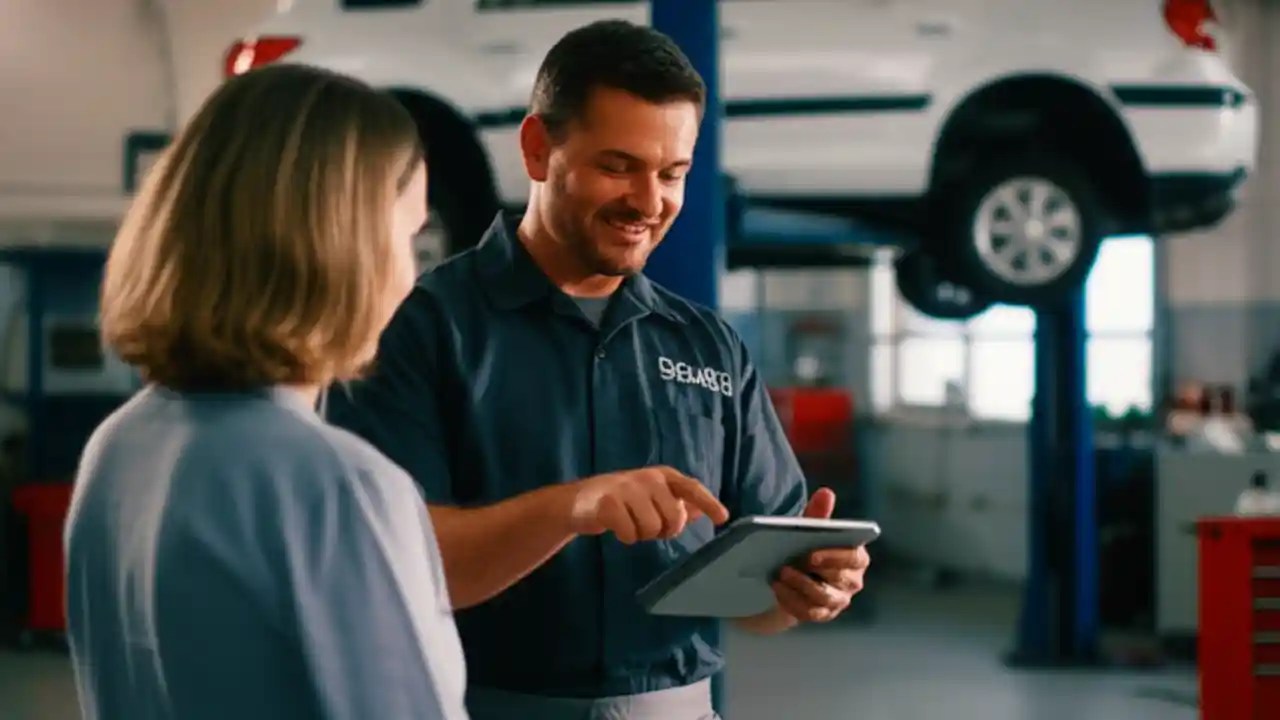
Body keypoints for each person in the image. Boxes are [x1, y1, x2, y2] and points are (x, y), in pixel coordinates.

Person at [328, 19, 871, 719]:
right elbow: (396, 561)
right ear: (536, 147)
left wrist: (804, 587)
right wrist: (569, 508)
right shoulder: (422, 328)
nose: (649, 203)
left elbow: (759, 602)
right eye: (618, 166)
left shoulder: (710, 347)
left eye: (671, 174)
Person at [63, 63, 468, 720]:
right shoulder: (338, 487)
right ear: (342, 241)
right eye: (408, 234)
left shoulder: (118, 447)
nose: (408, 275)